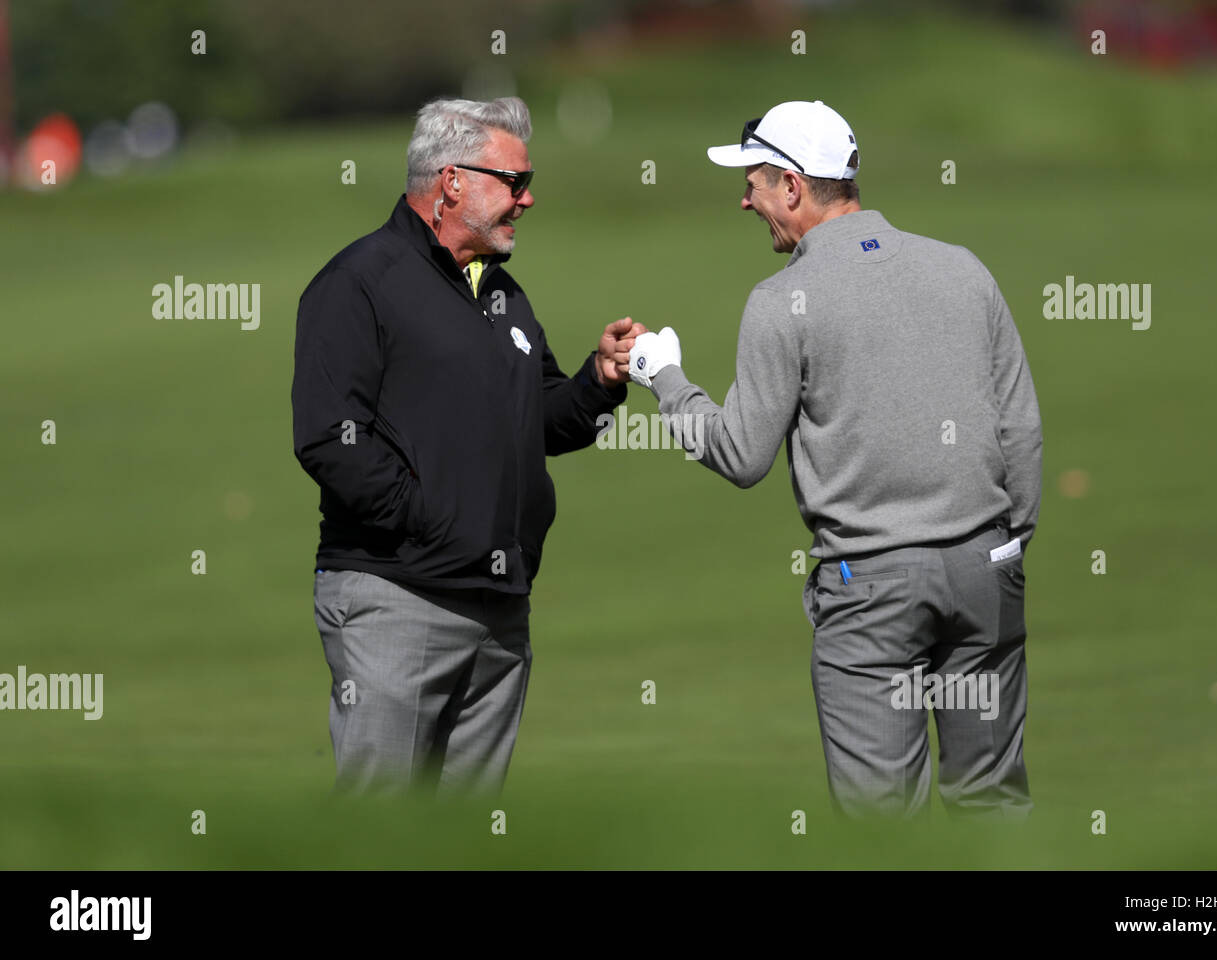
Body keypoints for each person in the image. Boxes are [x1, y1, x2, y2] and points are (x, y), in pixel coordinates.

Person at [629, 100, 1042, 819]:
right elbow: (1021, 430)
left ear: (792, 186)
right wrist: (1008, 550)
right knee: (994, 809)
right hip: (987, 574)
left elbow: (739, 452)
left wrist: (664, 376)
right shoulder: (963, 269)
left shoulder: (781, 299)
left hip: (871, 593)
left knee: (882, 829)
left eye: (754, 182)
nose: (745, 199)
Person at [292, 96, 643, 797]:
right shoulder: (360, 281)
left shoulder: (501, 294)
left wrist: (599, 381)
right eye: (516, 181)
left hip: (499, 610)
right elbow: (331, 438)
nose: (529, 198)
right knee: (380, 835)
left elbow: (542, 418)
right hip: (398, 596)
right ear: (452, 181)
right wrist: (433, 522)